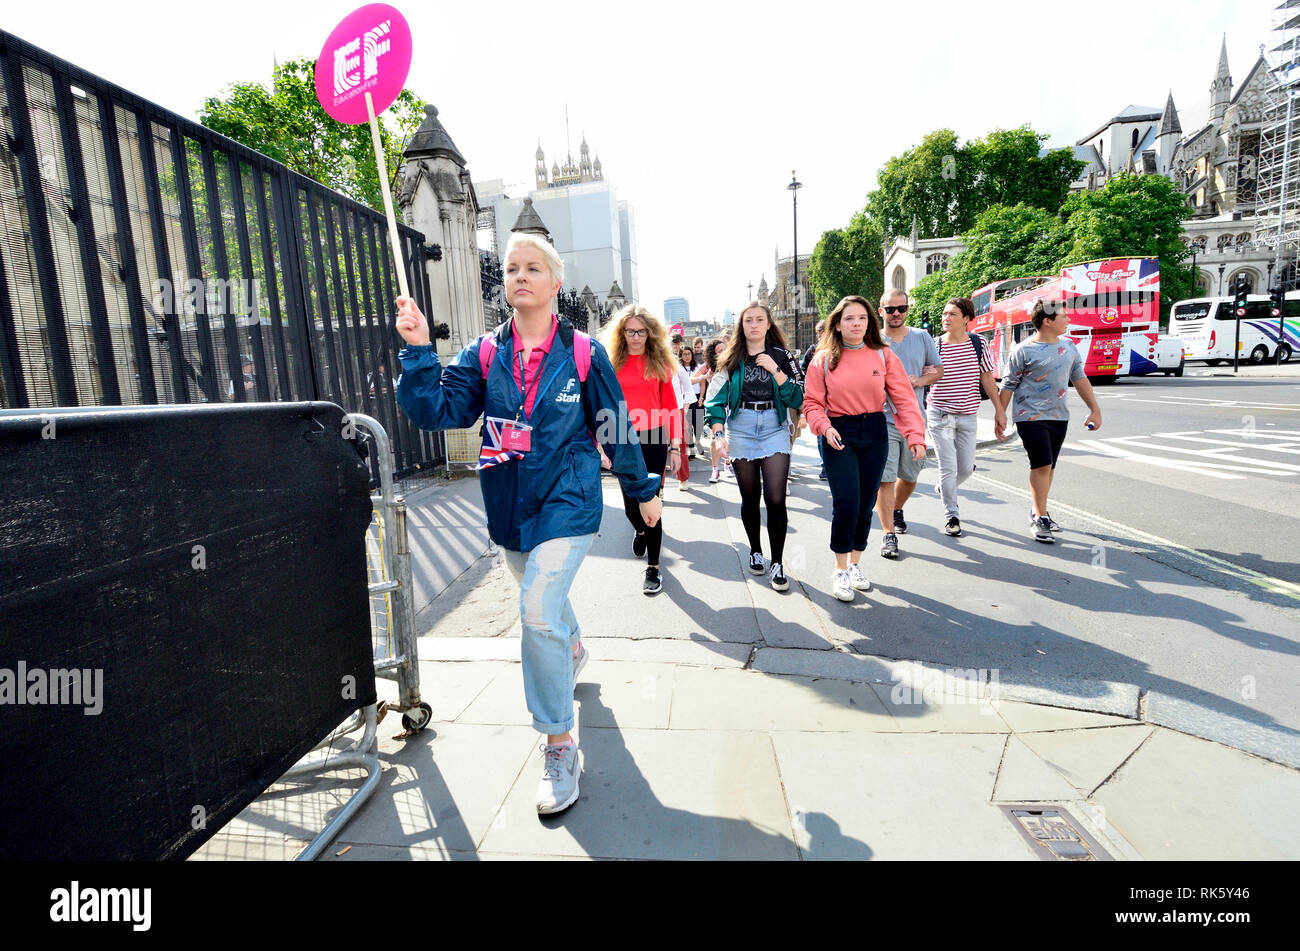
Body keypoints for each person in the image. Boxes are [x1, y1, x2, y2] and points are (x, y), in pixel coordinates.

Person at [393, 232, 662, 816]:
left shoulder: (585, 352)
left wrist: (644, 491)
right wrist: (417, 350)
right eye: (511, 267)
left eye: (532, 267)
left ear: (554, 283)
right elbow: (437, 411)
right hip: (510, 500)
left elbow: (614, 425)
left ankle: (558, 743)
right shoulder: (483, 354)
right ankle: (573, 646)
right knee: (542, 602)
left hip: (569, 497)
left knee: (537, 608)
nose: (519, 276)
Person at [802, 297, 926, 601]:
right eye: (849, 319)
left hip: (874, 431)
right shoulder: (823, 359)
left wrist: (915, 434)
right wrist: (824, 427)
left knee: (865, 504)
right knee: (846, 503)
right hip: (837, 433)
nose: (856, 324)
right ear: (838, 324)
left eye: (861, 318)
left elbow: (904, 398)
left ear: (870, 322)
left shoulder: (883, 355)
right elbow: (812, 403)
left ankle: (856, 564)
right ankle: (840, 569)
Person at [704, 301, 804, 590]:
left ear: (769, 324)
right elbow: (714, 401)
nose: (754, 325)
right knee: (750, 499)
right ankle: (756, 551)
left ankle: (778, 563)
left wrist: (776, 371)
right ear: (742, 326)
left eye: (760, 319)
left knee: (776, 499)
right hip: (742, 428)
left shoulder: (783, 356)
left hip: (773, 427)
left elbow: (798, 396)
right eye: (748, 320)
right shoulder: (731, 359)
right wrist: (718, 432)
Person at [995, 299, 1102, 543]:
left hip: (1059, 415)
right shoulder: (1023, 350)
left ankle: (1038, 509)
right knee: (1041, 464)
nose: (1068, 319)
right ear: (1048, 321)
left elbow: (1080, 378)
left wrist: (1094, 409)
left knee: (1049, 466)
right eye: (1064, 316)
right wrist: (1000, 415)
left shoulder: (1069, 347)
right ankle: (1040, 517)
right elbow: (1009, 384)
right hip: (1030, 416)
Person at [603, 305, 680, 591]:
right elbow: (602, 404)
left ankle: (654, 568)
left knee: (651, 503)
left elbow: (671, 407)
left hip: (654, 439)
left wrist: (675, 445)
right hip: (622, 439)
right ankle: (639, 529)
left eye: (641, 331)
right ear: (621, 333)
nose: (635, 336)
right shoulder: (611, 363)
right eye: (630, 331)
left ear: (650, 333)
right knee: (630, 508)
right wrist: (602, 444)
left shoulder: (658, 362)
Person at [926, 297, 1006, 537]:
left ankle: (944, 488)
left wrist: (999, 411)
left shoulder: (978, 343)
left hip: (967, 415)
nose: (945, 318)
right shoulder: (934, 344)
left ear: (967, 319)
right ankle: (952, 514)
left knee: (966, 468)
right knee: (948, 466)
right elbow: (923, 376)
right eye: (944, 314)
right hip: (939, 414)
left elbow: (987, 379)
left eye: (952, 314)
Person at [873, 289, 943, 559]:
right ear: (881, 312)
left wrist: (919, 381)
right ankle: (888, 534)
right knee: (886, 479)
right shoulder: (873, 340)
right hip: (883, 419)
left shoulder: (922, 337)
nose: (896, 314)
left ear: (908, 310)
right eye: (890, 309)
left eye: (901, 308)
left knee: (910, 476)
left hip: (914, 419)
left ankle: (895, 508)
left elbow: (937, 370)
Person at [694, 339, 729, 482]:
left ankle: (728, 464)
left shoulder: (733, 363)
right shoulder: (709, 366)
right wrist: (705, 376)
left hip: (731, 405)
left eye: (724, 349)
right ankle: (715, 470)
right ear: (713, 355)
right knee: (715, 439)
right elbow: (692, 378)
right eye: (719, 351)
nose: (723, 353)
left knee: (729, 438)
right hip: (716, 406)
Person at [801, 319, 829, 480]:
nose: (820, 337)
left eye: (822, 333)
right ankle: (825, 465)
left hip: (835, 398)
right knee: (820, 433)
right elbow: (803, 370)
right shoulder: (813, 350)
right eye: (819, 334)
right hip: (819, 398)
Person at [678, 346, 704, 460]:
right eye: (684, 354)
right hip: (685, 400)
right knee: (687, 425)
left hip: (697, 398)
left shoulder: (697, 367)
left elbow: (702, 383)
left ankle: (698, 441)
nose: (687, 356)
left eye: (689, 354)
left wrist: (702, 397)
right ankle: (691, 449)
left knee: (698, 423)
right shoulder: (678, 369)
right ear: (681, 356)